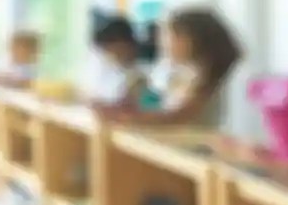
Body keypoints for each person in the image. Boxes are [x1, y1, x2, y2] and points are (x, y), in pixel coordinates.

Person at [99, 7, 241, 128]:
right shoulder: (179, 74)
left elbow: (176, 117)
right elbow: (158, 104)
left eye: (171, 37)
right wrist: (128, 104)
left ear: (193, 40)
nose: (165, 44)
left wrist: (127, 118)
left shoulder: (205, 79)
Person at [84, 16, 145, 106]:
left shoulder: (138, 77)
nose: (111, 54)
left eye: (114, 49)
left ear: (127, 45)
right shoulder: (110, 70)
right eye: (107, 50)